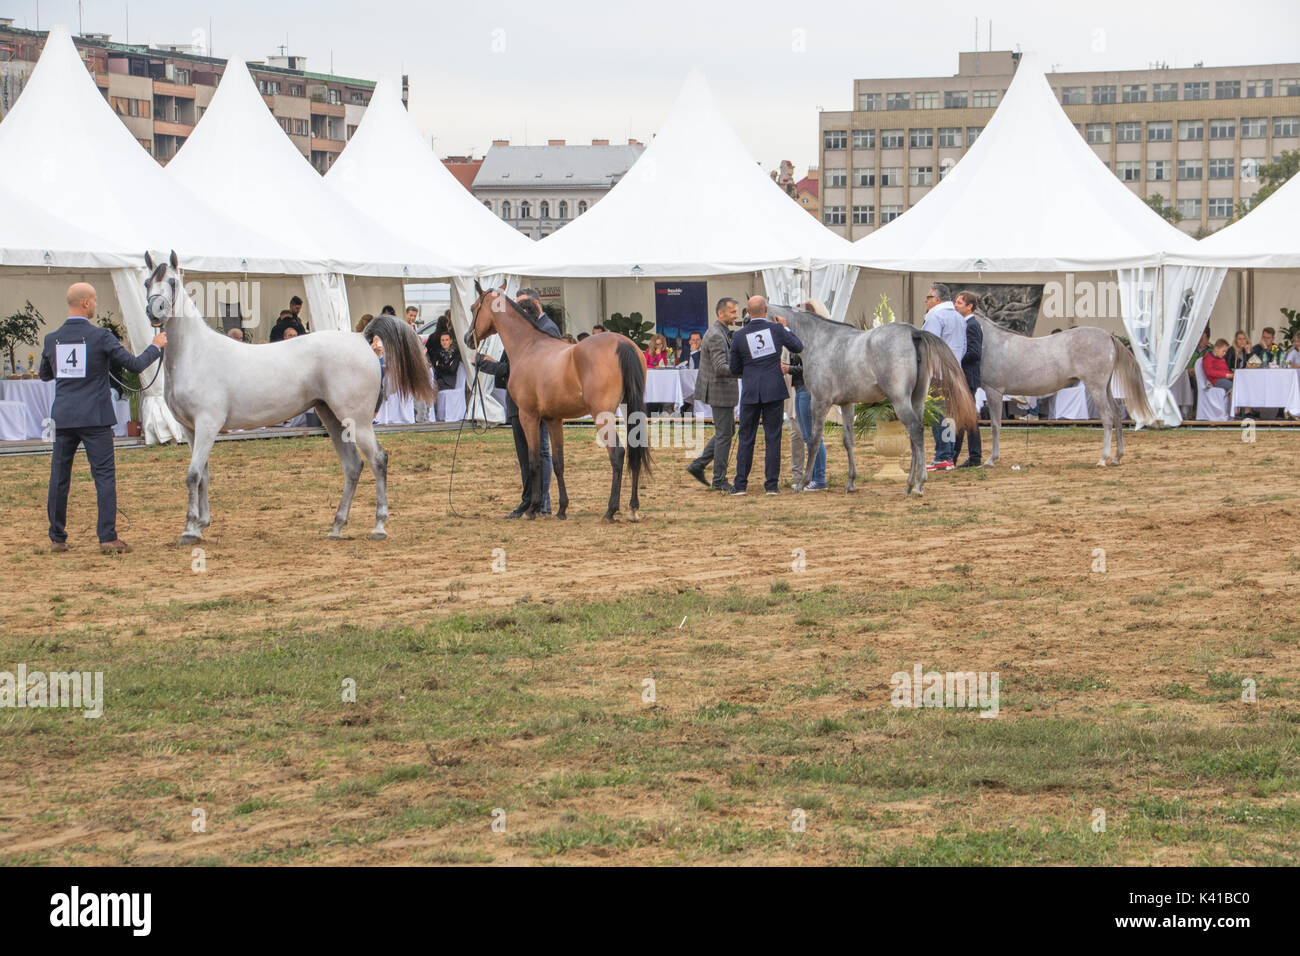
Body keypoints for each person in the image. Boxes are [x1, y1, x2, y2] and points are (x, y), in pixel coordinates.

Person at [40, 282, 166, 554]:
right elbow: (133, 364)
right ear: (86, 303)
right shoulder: (102, 337)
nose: (96, 305)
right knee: (104, 477)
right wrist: (155, 346)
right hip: (95, 417)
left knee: (59, 477)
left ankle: (57, 538)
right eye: (95, 300)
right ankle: (107, 537)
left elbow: (44, 374)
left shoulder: (52, 339)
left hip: (63, 417)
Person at [474, 288, 560, 518]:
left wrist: (487, 365)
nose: (519, 311)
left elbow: (514, 369)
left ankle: (542, 502)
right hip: (518, 402)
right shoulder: (521, 333)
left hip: (534, 402)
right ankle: (528, 500)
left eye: (522, 305)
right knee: (525, 456)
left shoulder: (546, 329)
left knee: (539, 451)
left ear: (535, 304)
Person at [728, 295, 803, 496]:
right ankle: (771, 485)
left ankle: (741, 484)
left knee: (746, 438)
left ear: (747, 311)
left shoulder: (739, 336)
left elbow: (734, 368)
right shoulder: (776, 330)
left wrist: (751, 371)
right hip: (773, 389)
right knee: (773, 438)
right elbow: (798, 346)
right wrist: (785, 327)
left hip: (751, 389)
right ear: (766, 310)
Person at [687, 297, 741, 491]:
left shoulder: (721, 332)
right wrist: (745, 372)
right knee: (724, 434)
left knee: (724, 432)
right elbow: (720, 368)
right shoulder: (717, 335)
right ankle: (719, 480)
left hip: (720, 389)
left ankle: (698, 465)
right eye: (733, 312)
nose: (736, 315)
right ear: (721, 313)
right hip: (719, 389)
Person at [920, 283, 966, 470]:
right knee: (949, 416)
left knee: (938, 415)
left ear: (937, 300)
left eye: (928, 298)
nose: (926, 301)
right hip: (955, 371)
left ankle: (942, 456)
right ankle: (947, 456)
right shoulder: (958, 317)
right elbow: (962, 346)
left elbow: (928, 347)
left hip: (938, 373)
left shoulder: (935, 316)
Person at [951, 290, 984, 467]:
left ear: (969, 306)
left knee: (968, 419)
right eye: (956, 302)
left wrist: (955, 359)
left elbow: (975, 352)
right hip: (964, 377)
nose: (955, 305)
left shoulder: (972, 325)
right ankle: (958, 455)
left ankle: (974, 457)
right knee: (962, 419)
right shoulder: (964, 324)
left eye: (959, 303)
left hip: (968, 377)